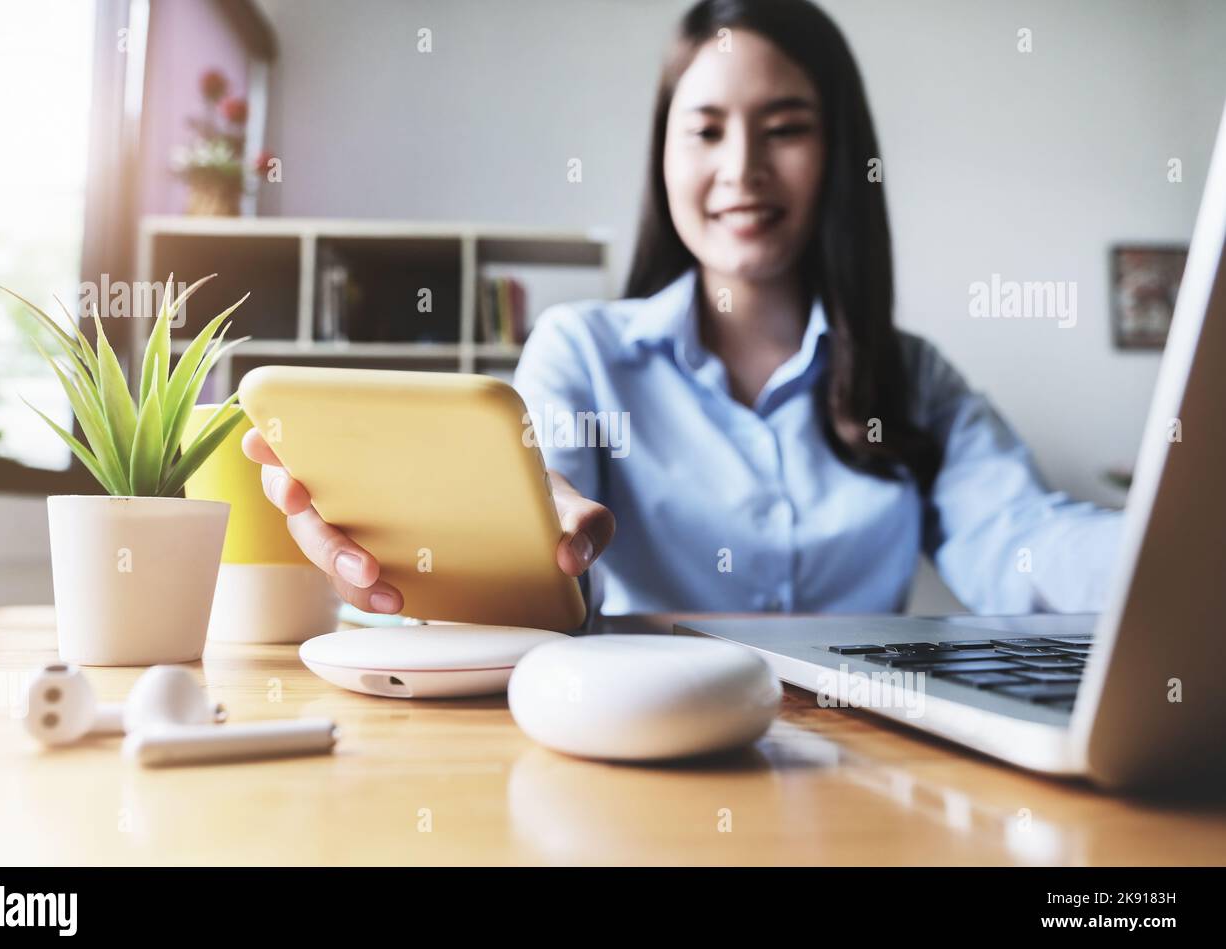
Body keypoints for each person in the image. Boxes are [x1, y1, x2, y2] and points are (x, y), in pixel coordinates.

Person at [243, 0, 1120, 620]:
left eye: (785, 127)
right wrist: (466, 544)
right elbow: (546, 529)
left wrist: (1168, 563)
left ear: (839, 151)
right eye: (705, 130)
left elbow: (1022, 539)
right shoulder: (582, 354)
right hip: (643, 764)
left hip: (876, 764)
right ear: (664, 157)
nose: (741, 168)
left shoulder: (913, 377)